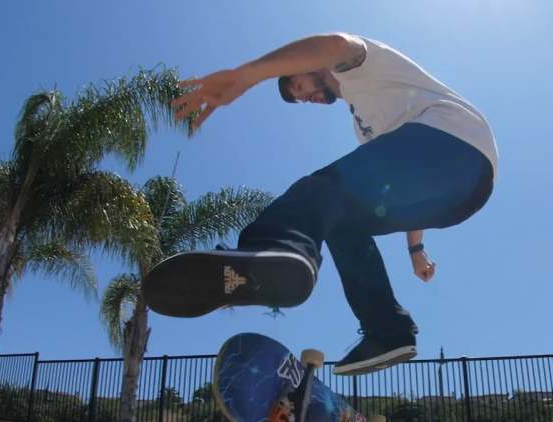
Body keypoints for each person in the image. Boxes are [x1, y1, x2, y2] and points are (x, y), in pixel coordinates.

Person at [169, 33, 497, 375]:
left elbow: (336, 45)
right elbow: (409, 179)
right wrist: (416, 250)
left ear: (310, 65)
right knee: (341, 219)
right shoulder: (365, 130)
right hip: (461, 196)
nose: (305, 97)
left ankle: (272, 249)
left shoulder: (361, 66)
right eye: (300, 99)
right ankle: (387, 331)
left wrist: (246, 76)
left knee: (319, 189)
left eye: (298, 85)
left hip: (457, 142)